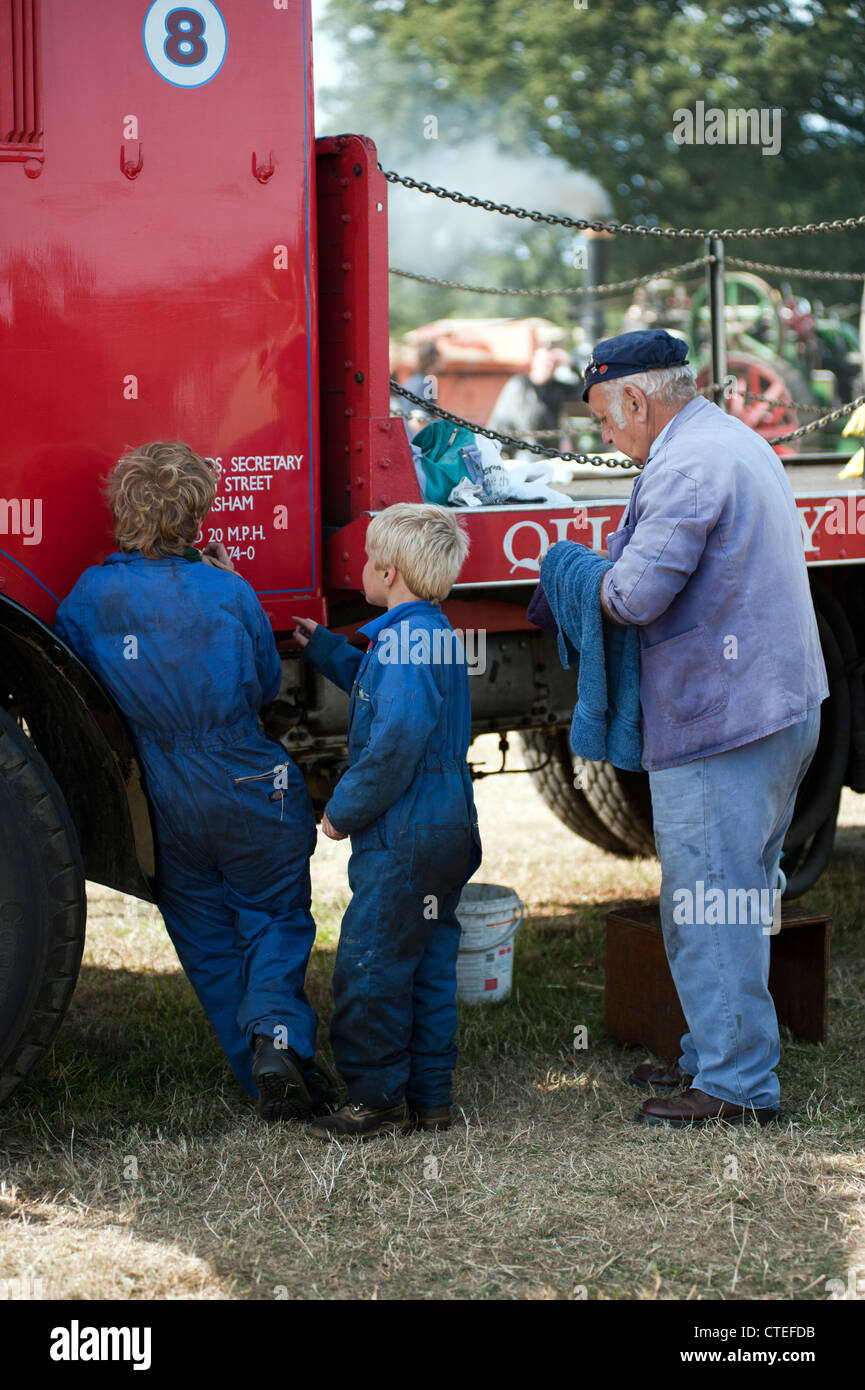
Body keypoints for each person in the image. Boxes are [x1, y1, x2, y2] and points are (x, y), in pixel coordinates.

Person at [582, 329, 828, 1128]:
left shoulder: (686, 464)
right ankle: (719, 1053)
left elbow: (632, 596)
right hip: (776, 704)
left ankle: (733, 1086)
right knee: (741, 893)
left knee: (708, 903)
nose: (607, 437)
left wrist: (579, 571)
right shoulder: (728, 438)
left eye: (604, 419)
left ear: (634, 397)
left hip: (725, 719)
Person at [54, 441, 329, 1121]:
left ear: (122, 509)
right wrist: (226, 587)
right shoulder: (227, 590)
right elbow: (265, 683)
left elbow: (74, 685)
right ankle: (277, 1040)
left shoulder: (89, 597)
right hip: (246, 776)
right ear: (198, 515)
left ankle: (256, 1073)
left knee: (204, 934)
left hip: (163, 791)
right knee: (273, 917)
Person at [293, 503, 481, 1140]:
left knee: (372, 963)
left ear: (390, 571)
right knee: (428, 961)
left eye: (368, 559)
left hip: (405, 828)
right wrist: (323, 647)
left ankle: (375, 1101)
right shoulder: (429, 633)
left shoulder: (400, 642)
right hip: (451, 823)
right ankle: (430, 1100)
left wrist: (343, 810)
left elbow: (397, 734)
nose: (360, 569)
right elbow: (381, 688)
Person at [487, 345, 577, 459]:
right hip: (520, 454)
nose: (548, 366)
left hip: (548, 454)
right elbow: (509, 422)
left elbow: (582, 391)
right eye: (544, 362)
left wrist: (571, 363)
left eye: (552, 362)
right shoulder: (519, 386)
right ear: (534, 362)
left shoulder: (557, 388)